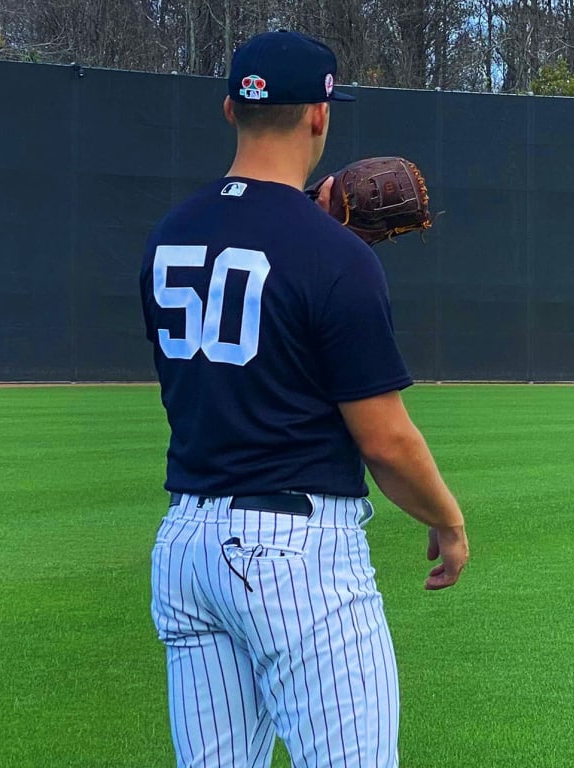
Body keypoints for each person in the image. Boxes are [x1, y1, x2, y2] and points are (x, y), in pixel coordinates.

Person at [139, 30, 468, 767]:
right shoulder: (335, 256)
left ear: (231, 108)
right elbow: (386, 443)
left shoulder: (168, 237)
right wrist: (447, 519)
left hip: (185, 545)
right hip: (293, 555)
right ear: (320, 116)